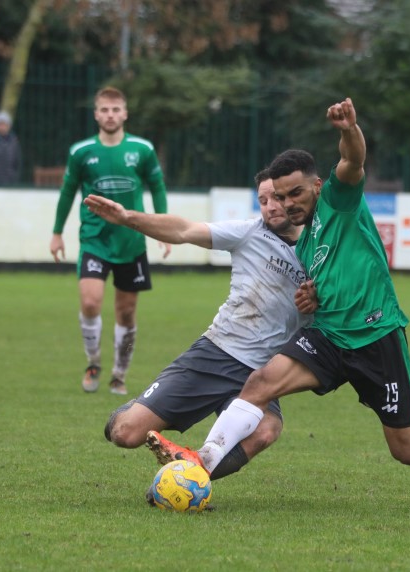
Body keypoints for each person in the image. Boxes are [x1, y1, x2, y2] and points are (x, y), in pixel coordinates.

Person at [146, 98, 410, 510]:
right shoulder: (306, 243)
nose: (288, 203)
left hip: (376, 338)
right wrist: (313, 295)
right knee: (260, 383)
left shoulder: (338, 201)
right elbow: (330, 279)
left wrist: (349, 129)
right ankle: (203, 459)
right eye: (280, 196)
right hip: (328, 337)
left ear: (316, 185)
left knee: (406, 449)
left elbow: (353, 161)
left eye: (296, 192)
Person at [85, 171, 316, 493]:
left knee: (266, 430)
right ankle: (132, 411)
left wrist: (318, 297)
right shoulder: (249, 233)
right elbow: (183, 230)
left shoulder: (319, 250)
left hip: (263, 374)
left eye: (276, 198)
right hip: (216, 353)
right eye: (262, 200)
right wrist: (127, 218)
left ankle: (185, 479)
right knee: (126, 433)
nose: (270, 207)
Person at [50, 86, 170, 396]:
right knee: (90, 302)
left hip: (131, 241)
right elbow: (67, 192)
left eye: (116, 110)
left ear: (125, 113)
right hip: (95, 239)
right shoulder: (81, 152)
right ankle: (93, 362)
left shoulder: (142, 149)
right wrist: (57, 232)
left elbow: (157, 187)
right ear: (96, 114)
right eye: (104, 110)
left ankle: (120, 372)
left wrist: (162, 226)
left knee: (126, 313)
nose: (110, 115)